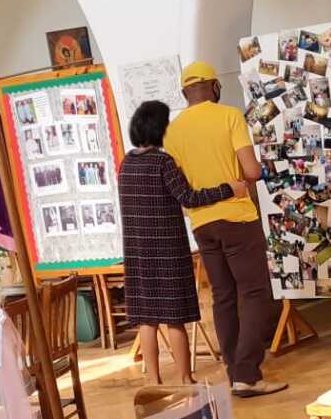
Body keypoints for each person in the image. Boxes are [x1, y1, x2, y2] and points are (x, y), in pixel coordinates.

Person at [164, 62, 284, 397]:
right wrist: (245, 177)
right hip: (237, 218)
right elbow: (252, 170)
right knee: (254, 292)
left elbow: (178, 183)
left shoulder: (172, 131)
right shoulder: (229, 116)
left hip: (202, 223)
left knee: (223, 296)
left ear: (184, 93)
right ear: (215, 88)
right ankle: (248, 373)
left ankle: (235, 373)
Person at [118, 99, 245, 384]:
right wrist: (229, 189)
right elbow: (189, 198)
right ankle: (185, 378)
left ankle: (153, 381)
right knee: (175, 317)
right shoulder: (162, 163)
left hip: (137, 253)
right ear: (160, 128)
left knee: (147, 320)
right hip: (167, 251)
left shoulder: (127, 163)